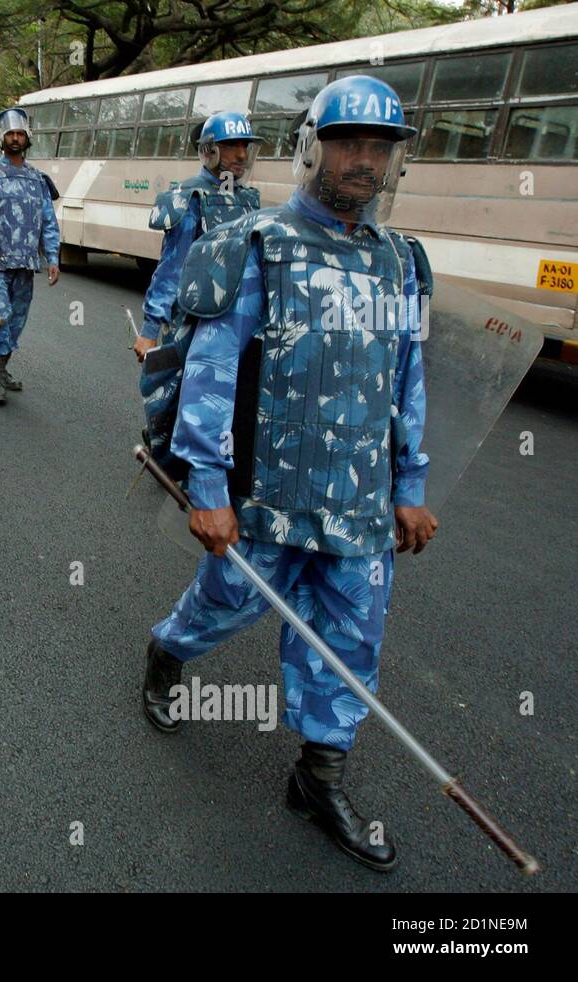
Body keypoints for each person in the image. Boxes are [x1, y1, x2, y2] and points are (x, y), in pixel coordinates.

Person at [141, 76, 438, 872]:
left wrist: (409, 487)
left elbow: (408, 380)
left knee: (348, 646)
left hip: (360, 509)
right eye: (348, 144)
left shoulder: (401, 264)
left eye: (379, 148)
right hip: (267, 498)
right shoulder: (260, 245)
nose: (364, 162)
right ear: (314, 146)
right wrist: (208, 491)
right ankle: (168, 653)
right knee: (226, 603)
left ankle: (318, 778)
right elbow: (209, 371)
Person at [135, 111, 262, 367]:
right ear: (210, 150)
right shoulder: (191, 197)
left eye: (244, 145)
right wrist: (150, 330)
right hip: (193, 324)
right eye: (230, 145)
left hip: (239, 325)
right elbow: (172, 267)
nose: (241, 154)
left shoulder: (249, 199)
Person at [0, 107, 61, 406]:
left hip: (25, 266)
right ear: (1, 138)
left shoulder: (38, 179)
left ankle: (3, 369)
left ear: (27, 137)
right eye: (11, 134)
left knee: (17, 321)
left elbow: (48, 221)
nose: (16, 139)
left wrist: (53, 258)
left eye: (20, 134)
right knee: (0, 317)